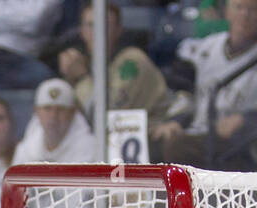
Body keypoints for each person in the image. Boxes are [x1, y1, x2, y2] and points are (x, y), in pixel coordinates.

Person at [151, 0, 257, 169]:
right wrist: (177, 121)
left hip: (242, 144)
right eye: (239, 8)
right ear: (227, 12)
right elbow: (186, 95)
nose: (244, 15)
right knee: (157, 140)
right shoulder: (206, 47)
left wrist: (245, 120)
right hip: (198, 134)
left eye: (252, 10)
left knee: (177, 147)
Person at [56, 1, 175, 131]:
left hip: (155, 134)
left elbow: (108, 116)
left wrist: (82, 78)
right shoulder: (85, 63)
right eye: (90, 25)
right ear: (81, 31)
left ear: (118, 30)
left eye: (105, 25)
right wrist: (70, 79)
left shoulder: (131, 61)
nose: (97, 32)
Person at [14, 77, 95, 164]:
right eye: (47, 108)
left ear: (72, 113)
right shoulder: (25, 150)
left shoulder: (92, 148)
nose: (53, 116)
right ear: (37, 112)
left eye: (61, 109)